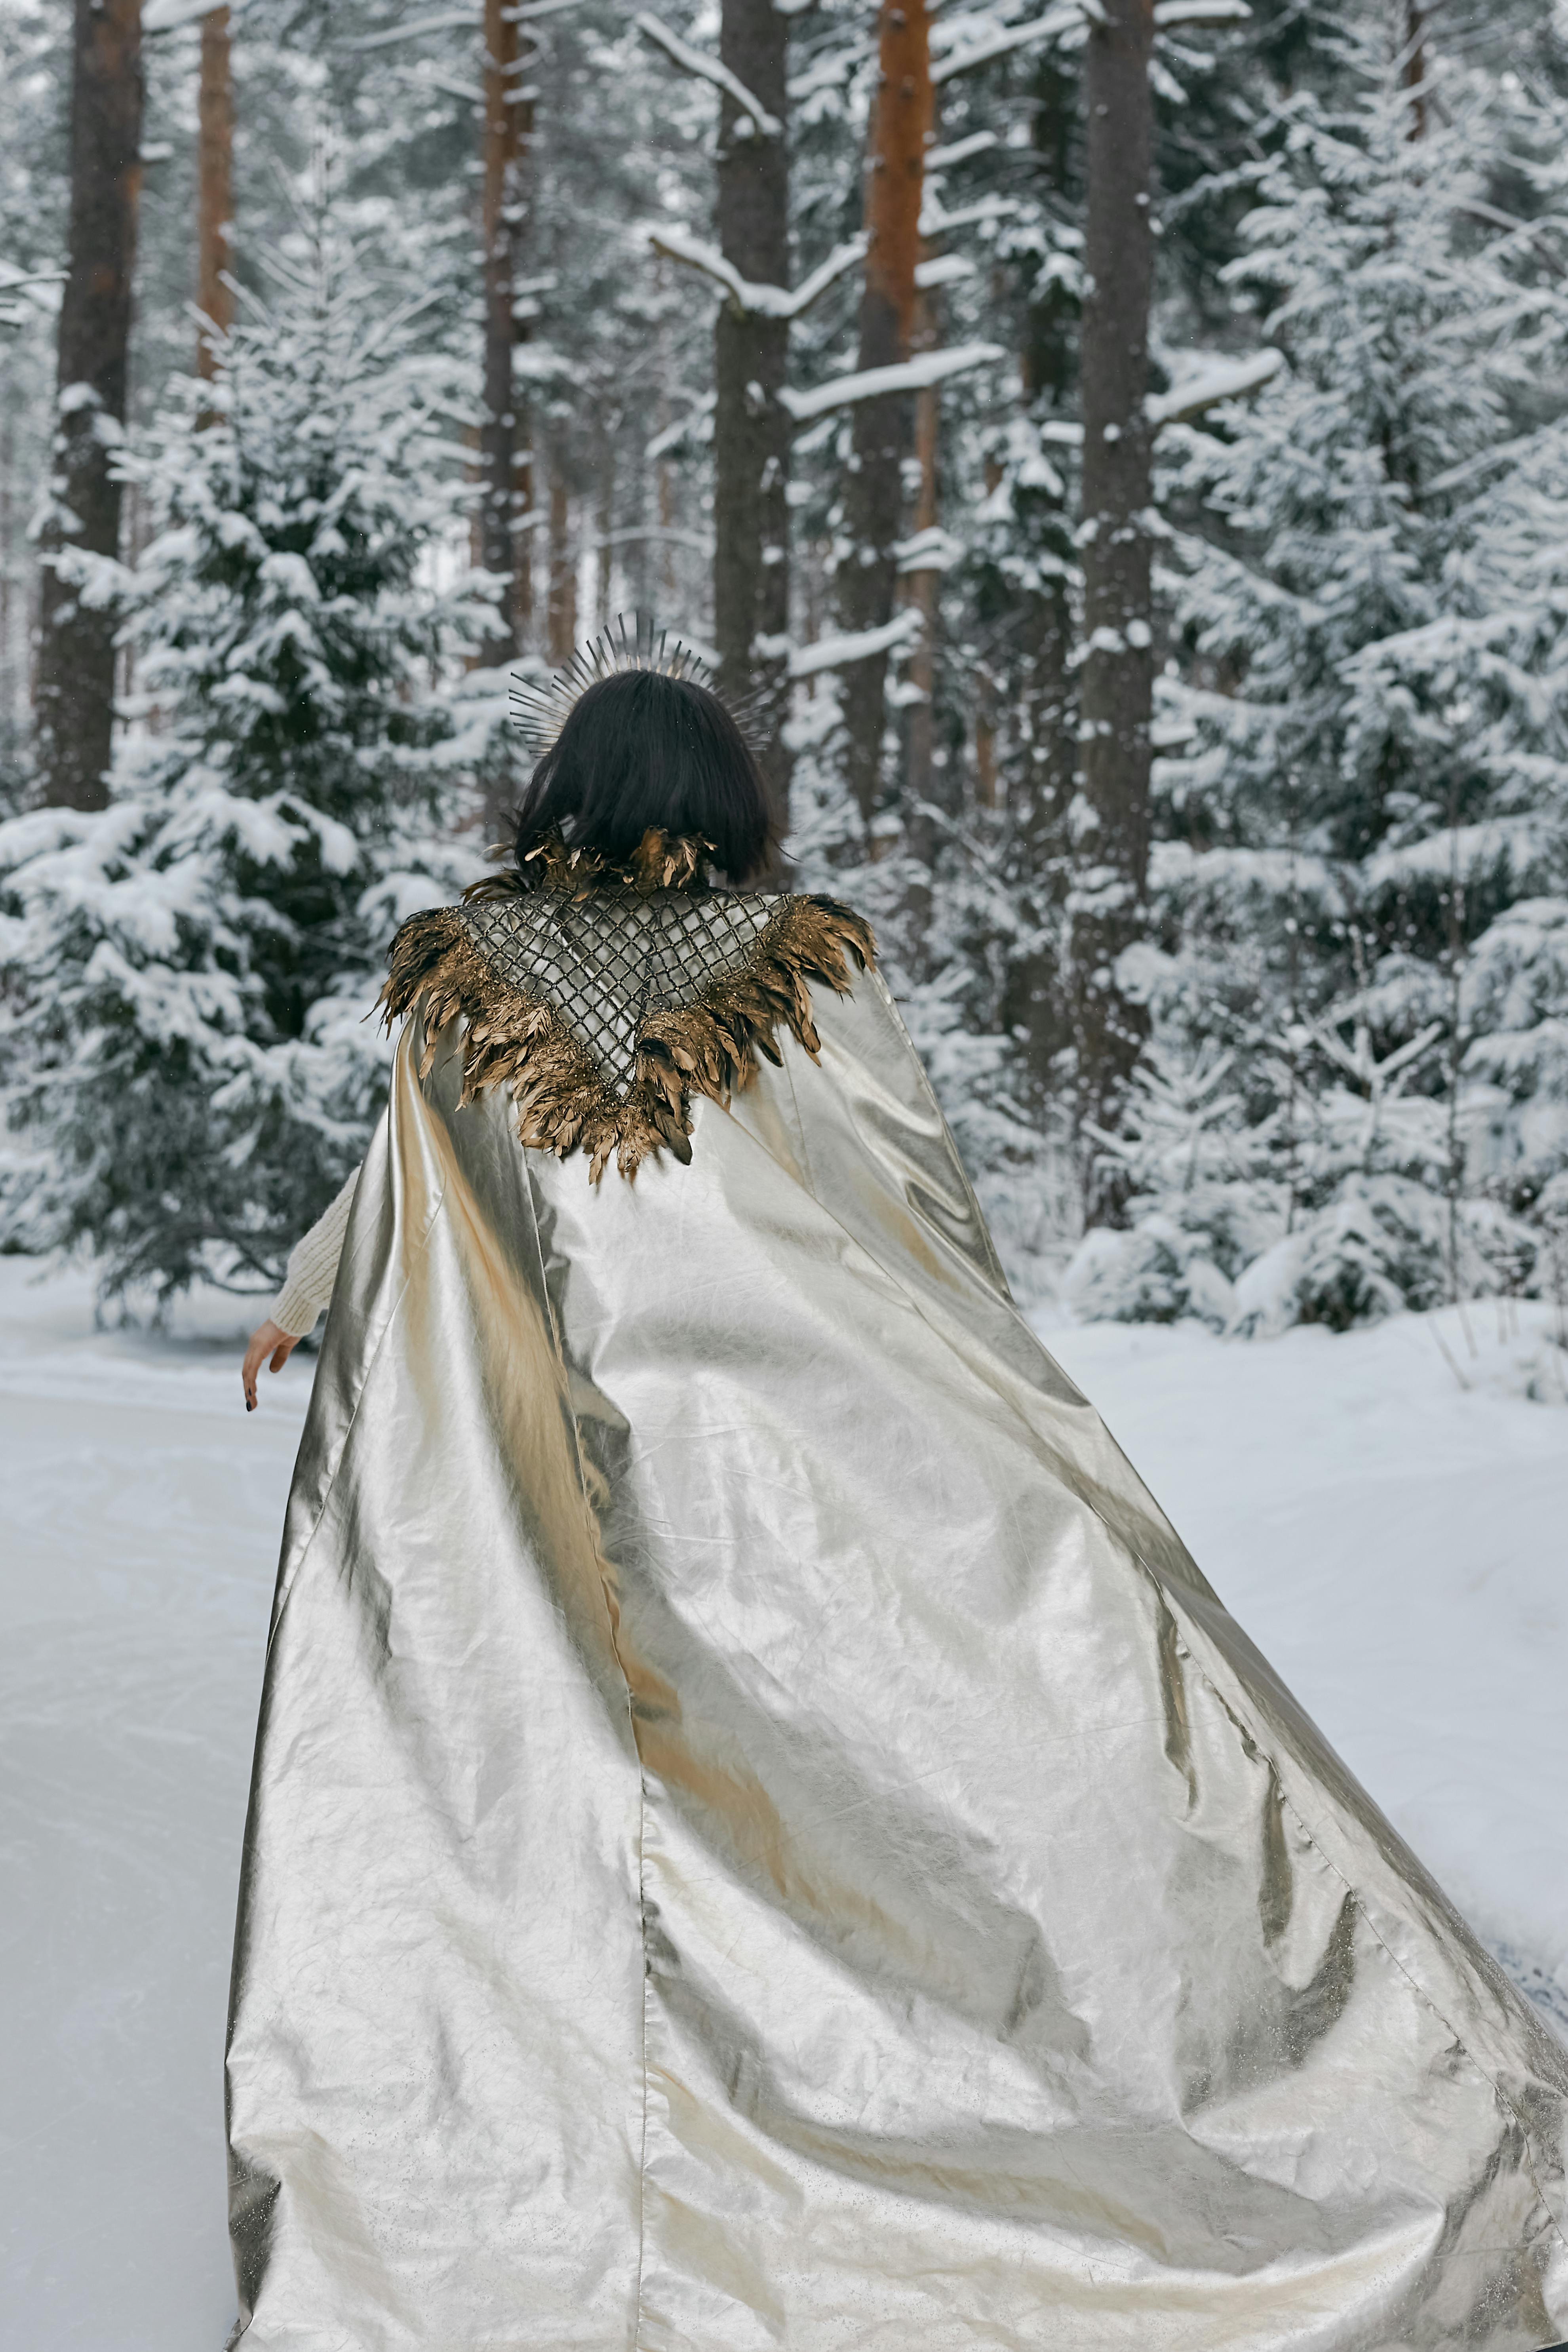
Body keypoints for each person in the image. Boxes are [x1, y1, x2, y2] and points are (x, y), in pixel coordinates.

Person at [228, 629, 1568, 2352]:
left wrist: (299, 1297)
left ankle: (561, 2176)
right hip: (791, 1477)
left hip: (552, 1487)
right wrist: (987, 1391)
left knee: (580, 1800)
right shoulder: (807, 970)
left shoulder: (465, 975)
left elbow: (397, 1186)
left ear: (560, 794)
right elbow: (918, 1208)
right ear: (725, 799)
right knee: (840, 1797)